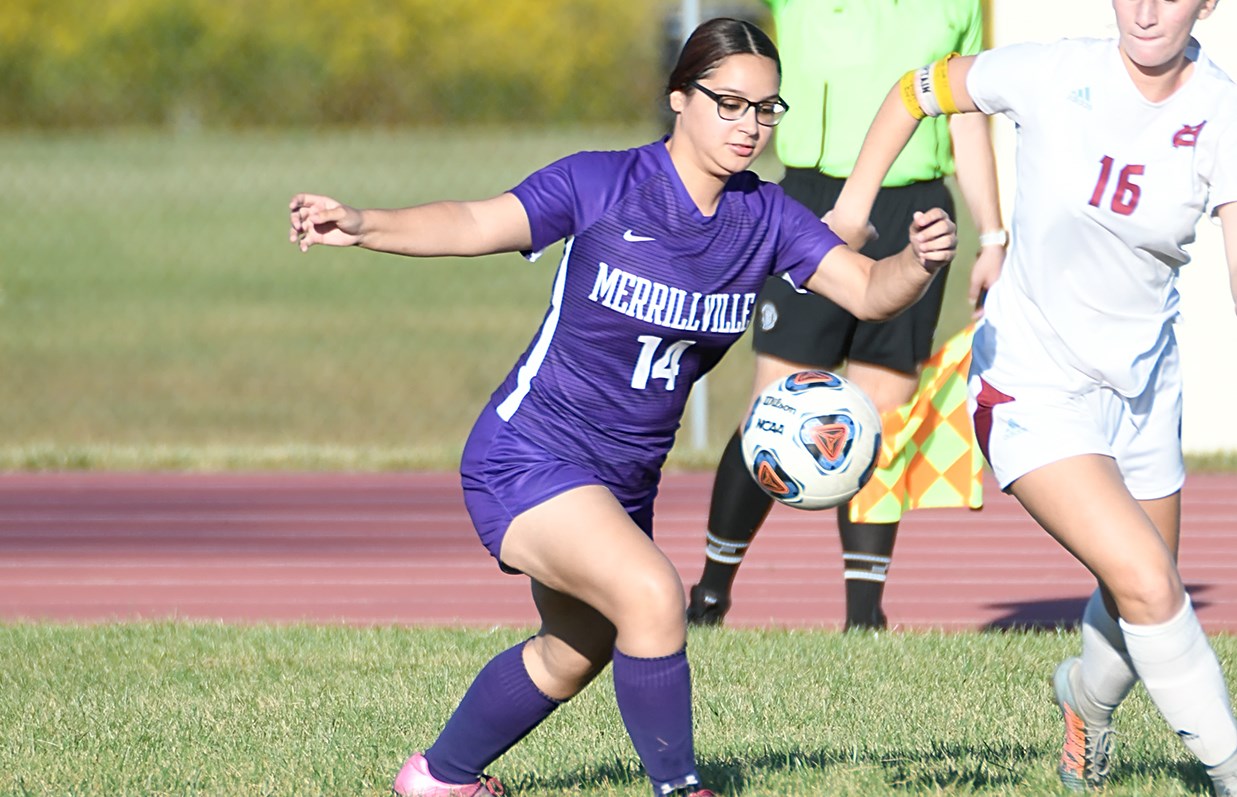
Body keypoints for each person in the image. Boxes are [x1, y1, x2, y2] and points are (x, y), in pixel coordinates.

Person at [288, 17, 956, 797]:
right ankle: (680, 787)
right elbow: (475, 220)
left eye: (765, 109)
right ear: (680, 97)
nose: (748, 125)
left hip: (621, 481)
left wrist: (916, 260)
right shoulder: (602, 182)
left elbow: (871, 292)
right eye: (728, 103)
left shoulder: (766, 217)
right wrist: (364, 224)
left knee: (572, 652)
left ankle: (439, 778)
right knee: (651, 594)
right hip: (528, 453)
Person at [830, 0, 1237, 792]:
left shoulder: (1222, 111)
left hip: (1144, 387)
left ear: (1210, 3)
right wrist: (850, 208)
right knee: (1154, 586)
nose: (1146, 9)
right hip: (1029, 380)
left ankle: (1082, 701)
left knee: (1136, 595)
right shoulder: (1052, 72)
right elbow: (916, 89)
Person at [685, 0, 1005, 631]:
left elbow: (968, 124)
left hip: (914, 211)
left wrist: (992, 236)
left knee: (882, 415)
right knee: (773, 407)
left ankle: (865, 617)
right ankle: (711, 593)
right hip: (814, 203)